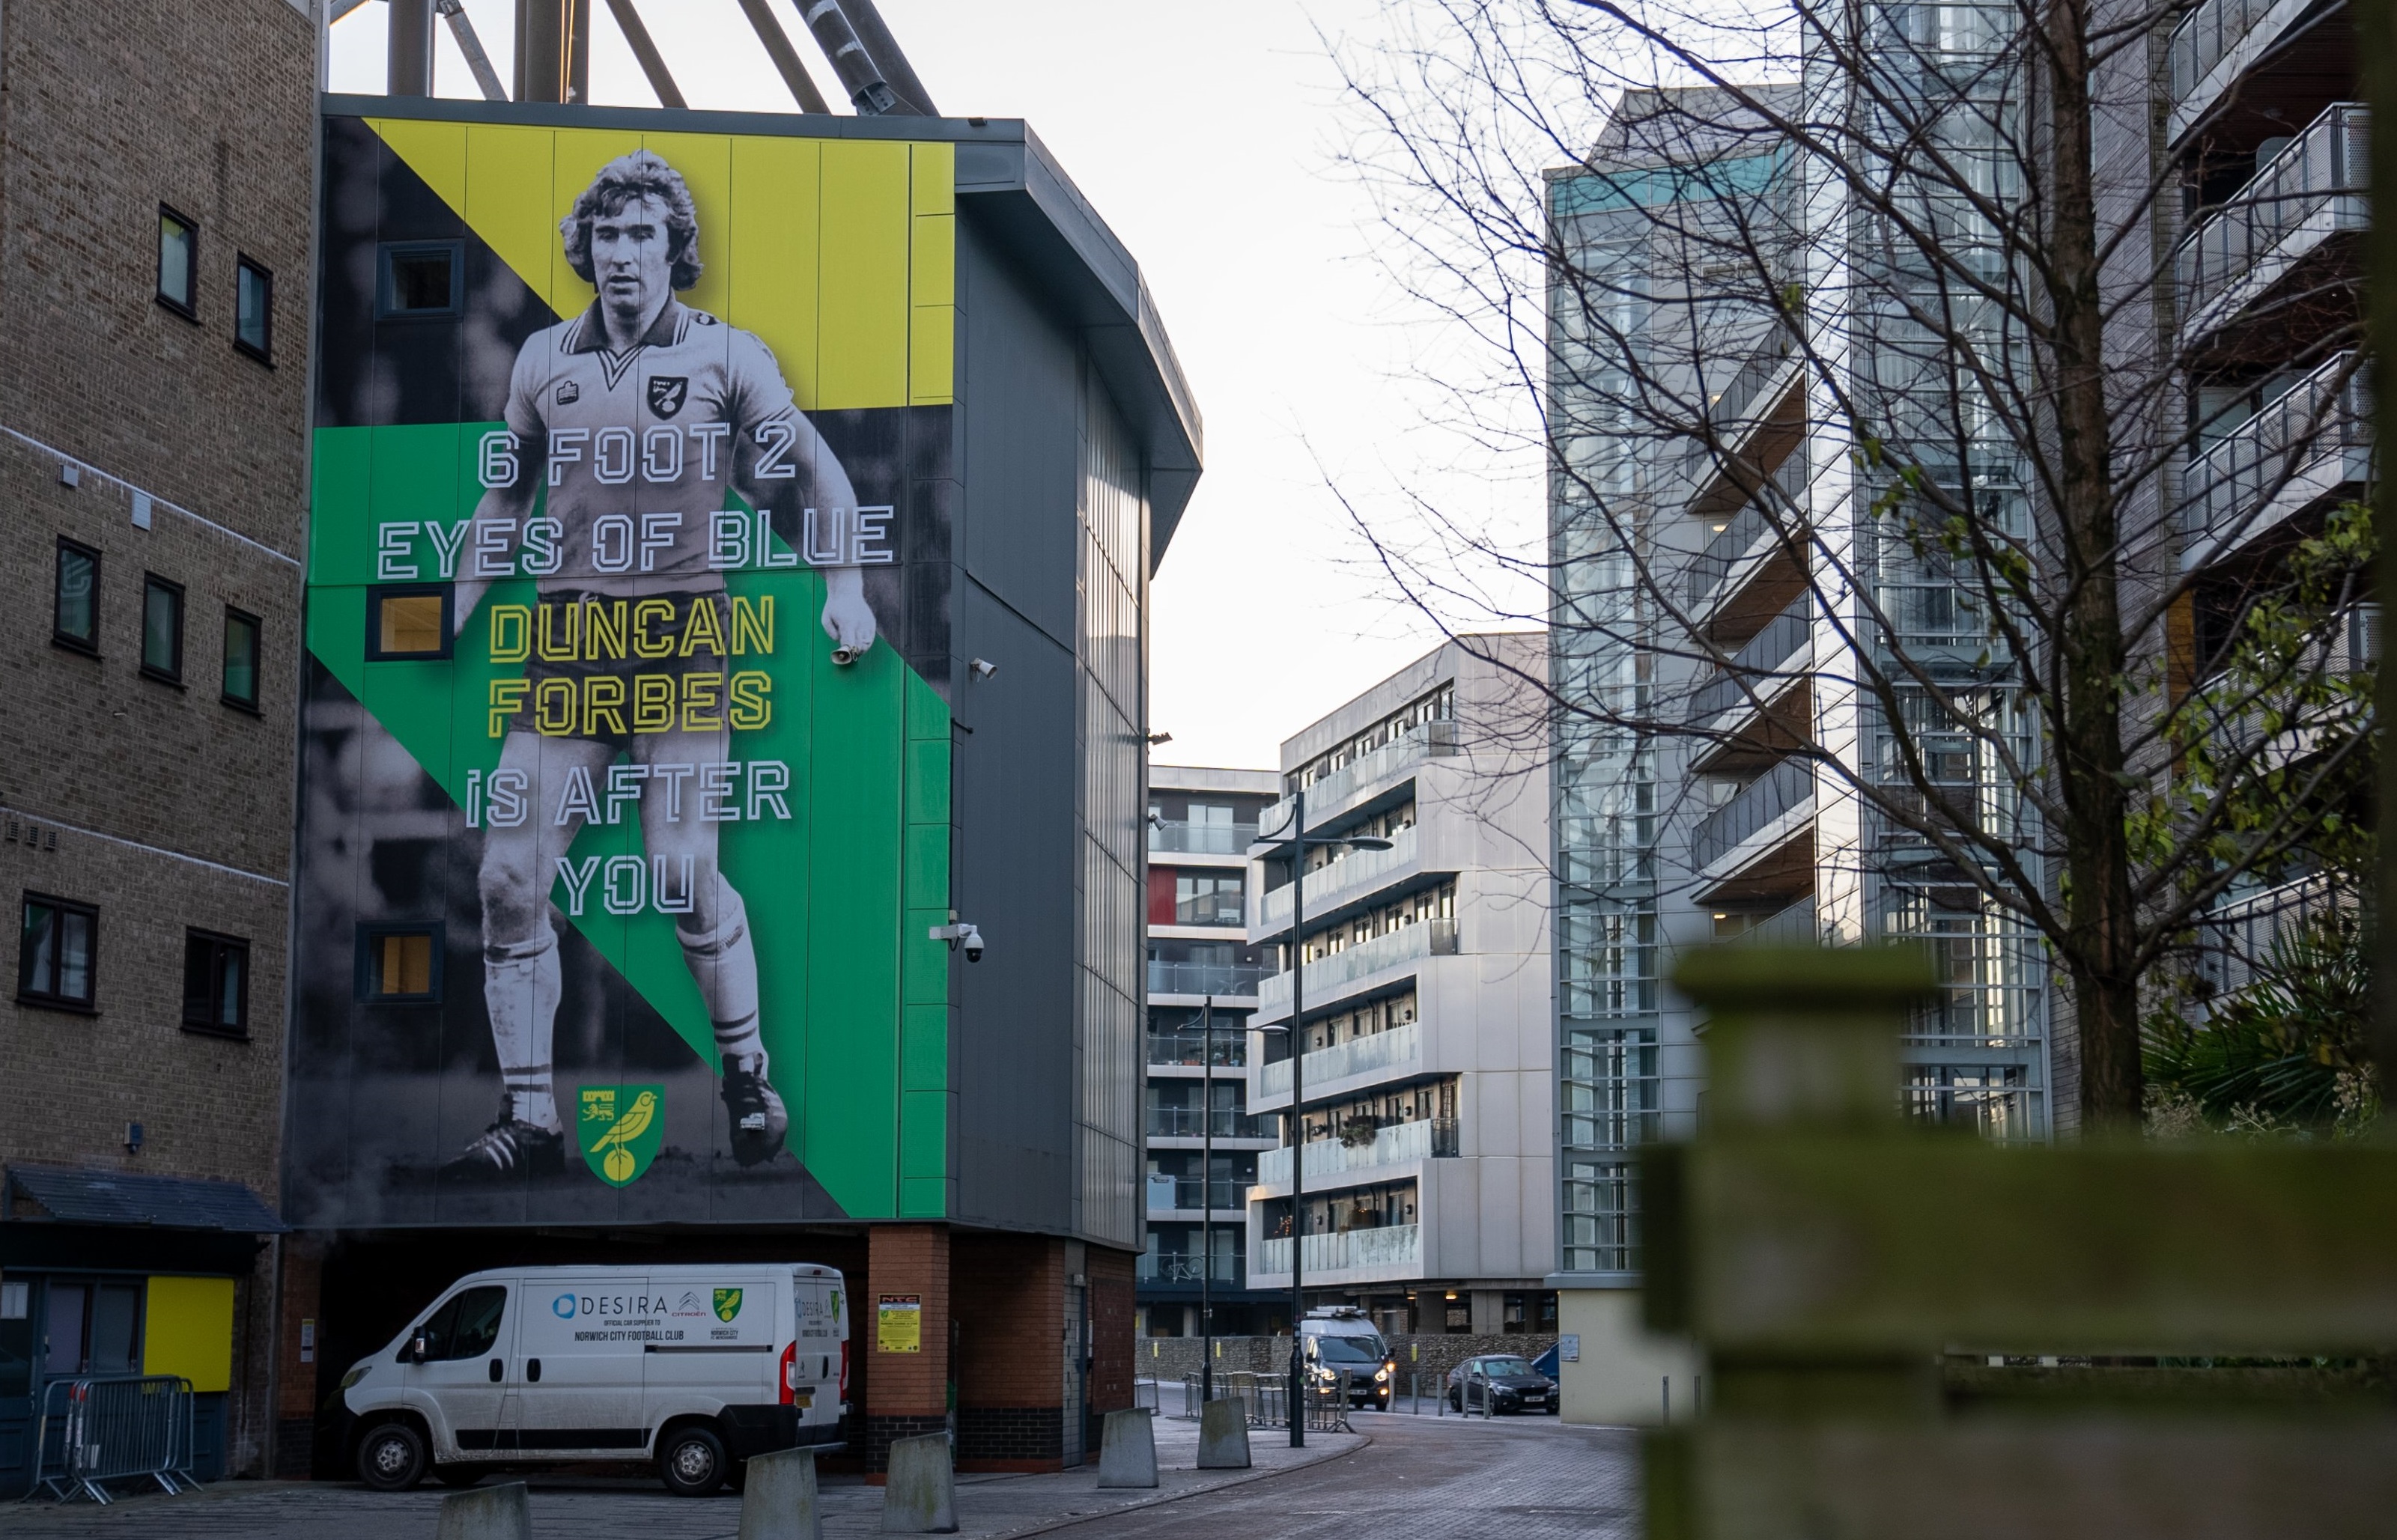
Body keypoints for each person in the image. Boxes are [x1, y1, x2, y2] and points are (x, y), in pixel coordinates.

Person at [444, 148, 875, 1177]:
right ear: (585, 249)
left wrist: (846, 586)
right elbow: (502, 500)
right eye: (607, 235)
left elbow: (818, 471)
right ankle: (530, 1121)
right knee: (507, 875)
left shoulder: (727, 354)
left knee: (682, 873)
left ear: (676, 248)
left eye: (642, 234)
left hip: (683, 634)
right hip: (570, 637)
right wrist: (447, 611)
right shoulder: (543, 359)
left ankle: (746, 1072)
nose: (622, 253)